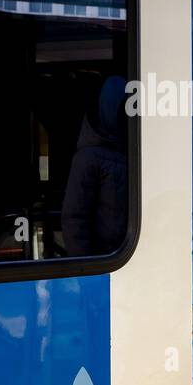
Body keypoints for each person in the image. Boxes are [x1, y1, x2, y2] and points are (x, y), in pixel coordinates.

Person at [62, 75, 130, 257]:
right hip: (104, 259)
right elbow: (74, 219)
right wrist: (85, 269)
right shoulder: (88, 158)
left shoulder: (130, 151)